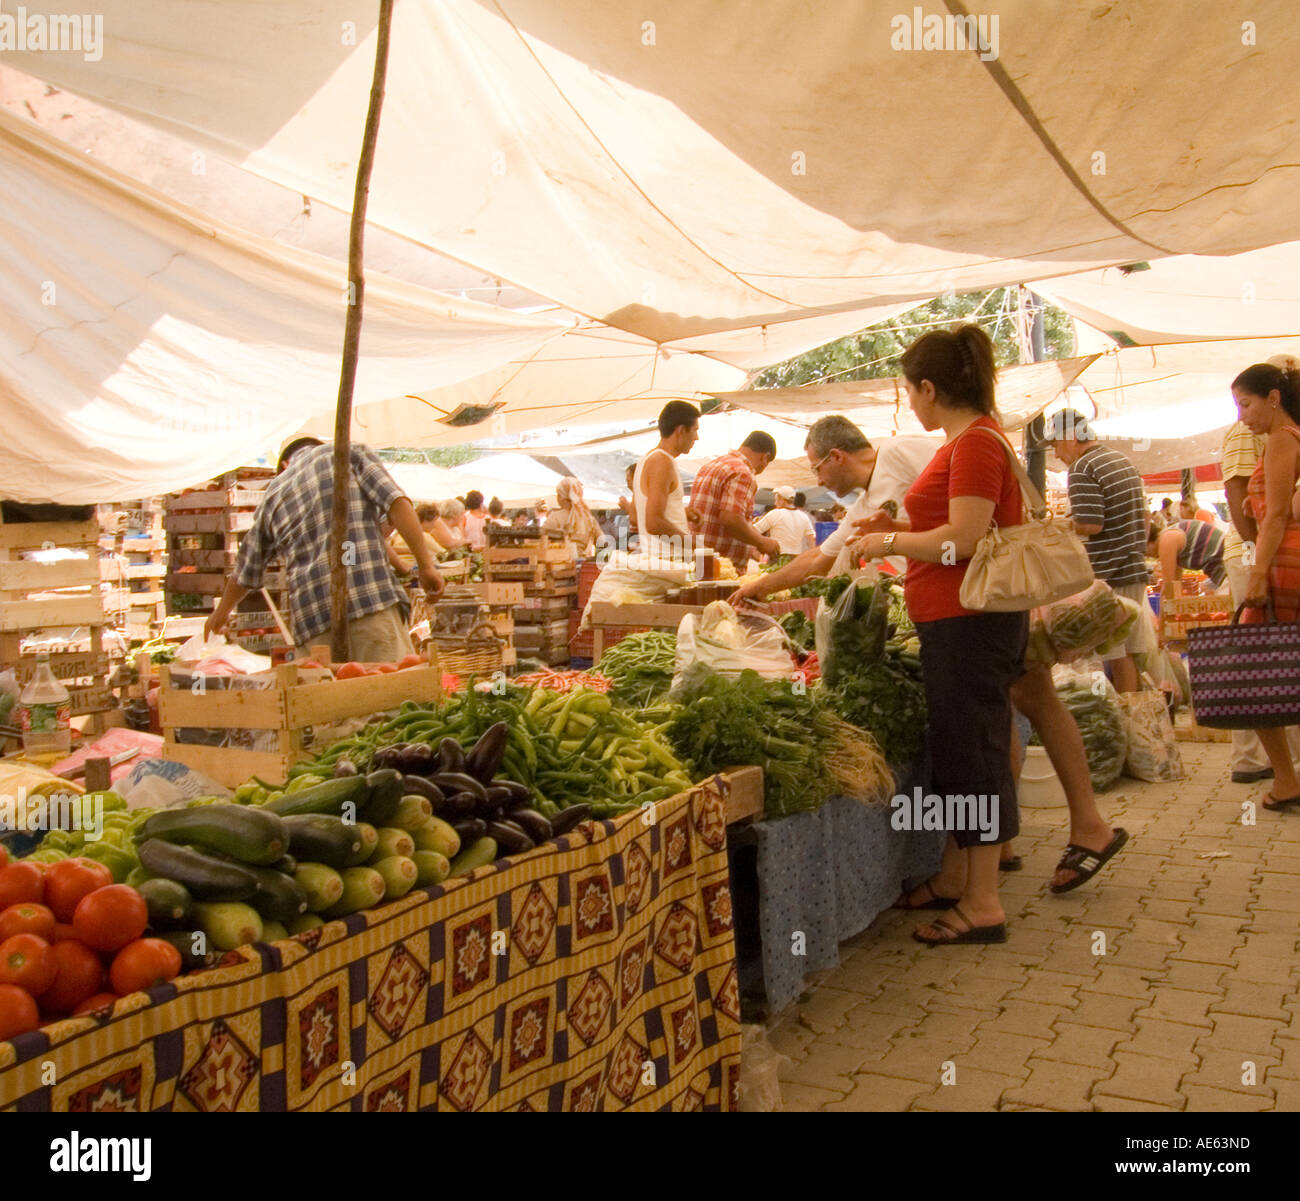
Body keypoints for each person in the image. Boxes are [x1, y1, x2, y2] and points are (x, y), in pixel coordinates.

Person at [852, 325, 1025, 945]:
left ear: (929, 388)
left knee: (975, 756)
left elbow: (968, 538)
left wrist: (887, 541)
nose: (910, 403)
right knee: (963, 750)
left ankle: (982, 904)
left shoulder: (975, 443)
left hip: (970, 623)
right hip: (955, 620)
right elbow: (952, 524)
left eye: (910, 391)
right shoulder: (966, 441)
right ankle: (957, 879)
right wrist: (895, 521)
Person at [205, 436, 442, 661]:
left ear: (285, 464)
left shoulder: (272, 495)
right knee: (389, 697)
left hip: (313, 626)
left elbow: (245, 571)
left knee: (329, 701)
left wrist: (221, 613)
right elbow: (396, 503)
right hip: (370, 604)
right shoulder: (348, 453)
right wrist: (426, 566)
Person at [731, 418, 936, 601]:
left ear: (836, 457)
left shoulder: (897, 452)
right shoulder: (861, 510)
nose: (819, 481)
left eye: (816, 469)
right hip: (924, 602)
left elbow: (957, 543)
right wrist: (759, 586)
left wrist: (890, 541)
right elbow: (817, 560)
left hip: (955, 599)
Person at [1047, 410, 1154, 693]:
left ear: (1070, 437)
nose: (1056, 454)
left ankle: (1111, 720)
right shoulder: (1121, 460)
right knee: (1126, 652)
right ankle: (1131, 720)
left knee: (1106, 653)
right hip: (1132, 568)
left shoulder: (1083, 468)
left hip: (1109, 574)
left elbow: (1091, 524)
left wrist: (1058, 525)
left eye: (1055, 444)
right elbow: (1145, 517)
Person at [1234, 361, 1300, 811]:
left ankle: (1286, 780)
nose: (1243, 416)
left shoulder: (1281, 439)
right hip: (1286, 561)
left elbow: (1276, 514)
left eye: (1246, 403)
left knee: (1248, 675)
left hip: (1281, 566)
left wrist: (1257, 572)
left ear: (1272, 398)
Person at [689, 431, 781, 571]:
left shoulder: (710, 466)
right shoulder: (742, 472)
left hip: (698, 559)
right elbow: (731, 519)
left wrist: (750, 548)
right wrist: (761, 541)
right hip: (719, 569)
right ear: (765, 457)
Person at [634, 401, 701, 563]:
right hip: (667, 562)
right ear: (681, 431)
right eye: (695, 431)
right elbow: (653, 523)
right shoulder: (661, 462)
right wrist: (695, 545)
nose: (697, 438)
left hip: (662, 560)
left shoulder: (648, 459)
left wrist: (681, 512)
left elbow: (639, 514)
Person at [1148, 518, 1226, 597]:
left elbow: (1169, 585)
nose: (1148, 556)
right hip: (1221, 563)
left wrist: (1162, 607)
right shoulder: (1169, 536)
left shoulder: (1166, 541)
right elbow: (1175, 582)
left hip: (1223, 559)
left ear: (1148, 543)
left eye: (1146, 553)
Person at [543, 476, 602, 556]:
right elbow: (603, 542)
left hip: (560, 564)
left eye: (558, 494)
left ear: (562, 497)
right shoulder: (589, 519)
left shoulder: (555, 517)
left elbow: (541, 541)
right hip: (584, 565)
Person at [754, 486, 816, 556]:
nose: (775, 503)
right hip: (796, 559)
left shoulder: (776, 513)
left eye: (776, 500)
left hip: (777, 557)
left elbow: (755, 530)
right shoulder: (804, 516)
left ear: (781, 499)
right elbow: (812, 540)